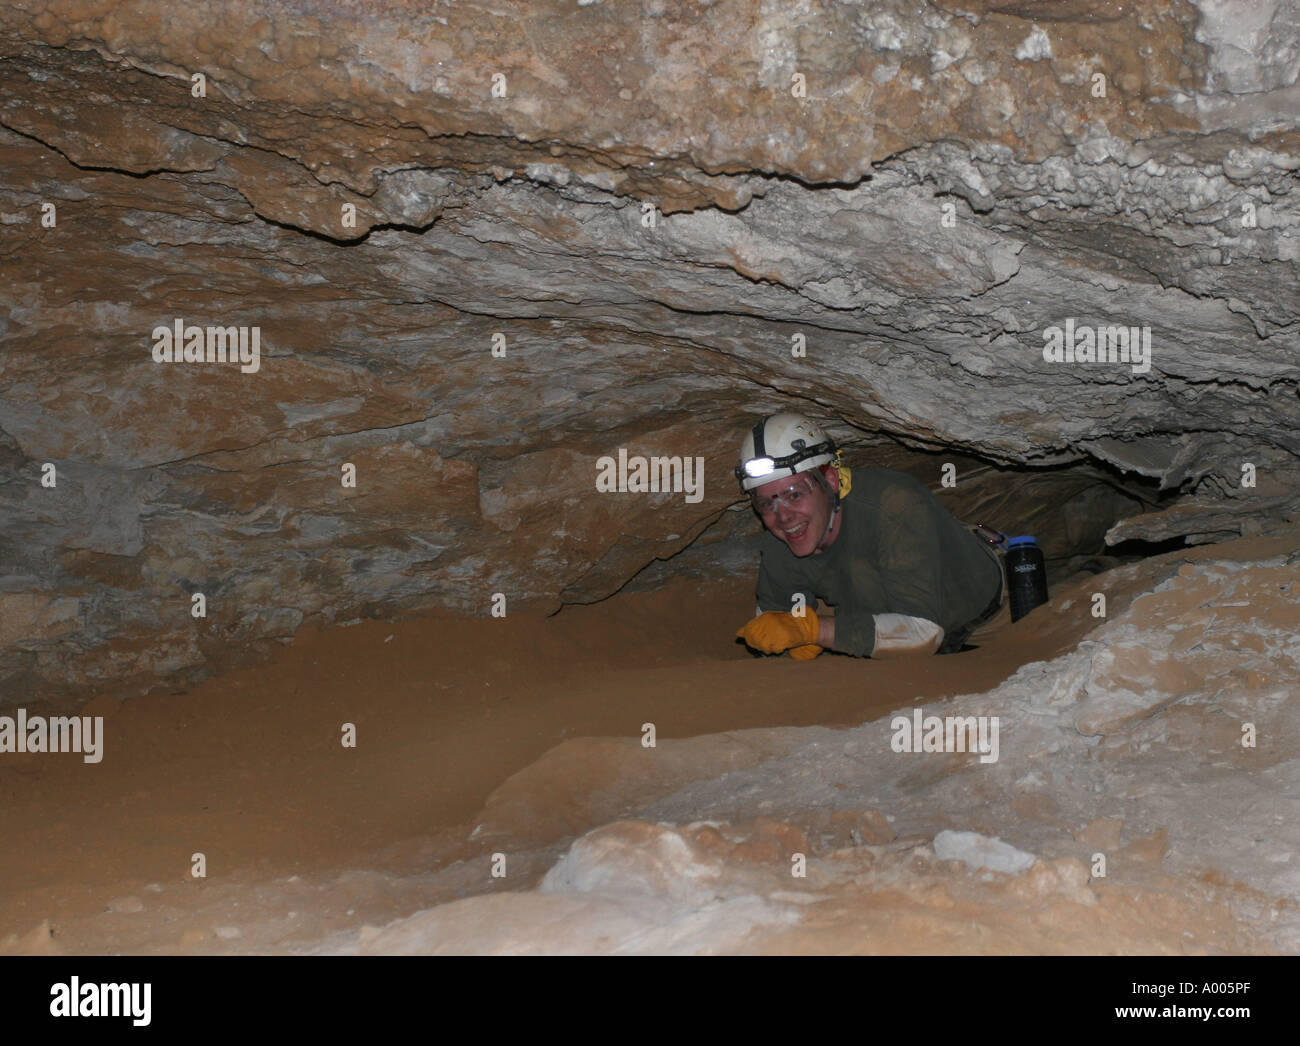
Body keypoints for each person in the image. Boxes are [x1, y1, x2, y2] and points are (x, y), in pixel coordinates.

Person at [733, 413, 1006, 659]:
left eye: (795, 494)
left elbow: (924, 633)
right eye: (767, 503)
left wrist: (814, 630)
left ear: (831, 481)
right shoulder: (781, 536)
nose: (783, 516)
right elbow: (774, 624)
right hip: (889, 627)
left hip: (988, 620)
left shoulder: (895, 506)